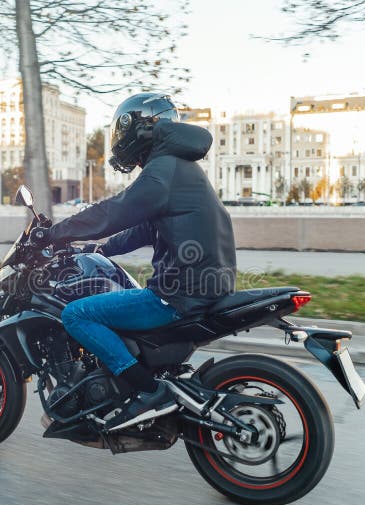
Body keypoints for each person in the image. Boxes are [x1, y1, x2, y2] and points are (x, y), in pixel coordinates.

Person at [42, 93, 237, 431]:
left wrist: (57, 233)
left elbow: (116, 210)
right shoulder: (179, 167)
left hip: (178, 295)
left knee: (76, 313)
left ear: (136, 129)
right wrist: (103, 250)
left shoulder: (162, 170)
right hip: (207, 285)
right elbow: (145, 226)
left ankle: (148, 392)